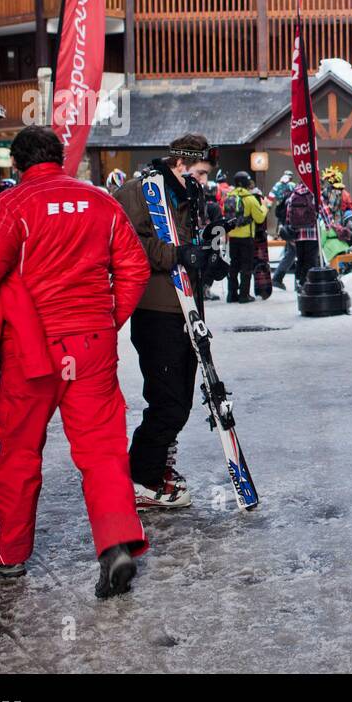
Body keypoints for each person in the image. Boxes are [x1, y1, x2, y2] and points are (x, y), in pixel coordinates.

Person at [0, 126, 151, 599]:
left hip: (31, 348)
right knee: (103, 449)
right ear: (60, 156)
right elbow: (134, 268)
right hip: (91, 345)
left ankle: (6, 554)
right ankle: (116, 547)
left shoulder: (10, 205)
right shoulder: (99, 203)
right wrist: (108, 320)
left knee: (20, 448)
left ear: (19, 162)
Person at [113, 134, 216, 510]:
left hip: (185, 308)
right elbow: (123, 241)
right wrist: (176, 254)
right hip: (155, 310)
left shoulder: (187, 195)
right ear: (181, 163)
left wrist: (207, 262)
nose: (204, 180)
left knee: (180, 400)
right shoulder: (139, 192)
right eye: (200, 172)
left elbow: (189, 246)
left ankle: (156, 465)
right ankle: (141, 476)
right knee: (168, 401)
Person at [226, 170, 268, 303]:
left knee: (234, 265)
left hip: (232, 236)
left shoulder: (229, 196)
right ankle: (244, 295)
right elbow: (259, 218)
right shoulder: (249, 199)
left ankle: (231, 294)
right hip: (246, 237)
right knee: (246, 266)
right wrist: (265, 207)